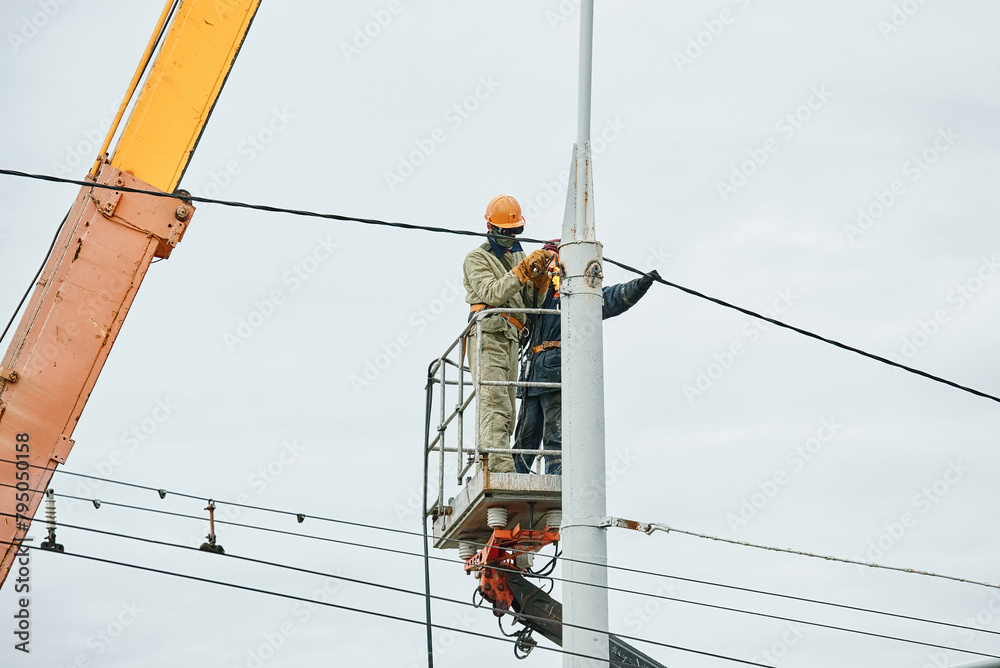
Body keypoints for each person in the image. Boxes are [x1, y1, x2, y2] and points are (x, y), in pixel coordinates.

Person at [514, 241, 659, 475]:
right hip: (533, 371)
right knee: (526, 434)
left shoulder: (573, 296)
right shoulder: (534, 296)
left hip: (554, 368)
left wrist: (638, 286)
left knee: (554, 430)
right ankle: (516, 474)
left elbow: (608, 299)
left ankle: (556, 476)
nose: (549, 267)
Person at [463, 195, 553, 473]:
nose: (512, 236)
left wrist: (539, 279)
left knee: (508, 406)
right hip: (488, 335)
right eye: (507, 232)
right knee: (495, 401)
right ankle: (496, 467)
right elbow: (494, 293)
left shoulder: (516, 256)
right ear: (491, 228)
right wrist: (525, 269)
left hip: (512, 337)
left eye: (516, 232)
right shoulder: (477, 258)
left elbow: (532, 305)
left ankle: (501, 462)